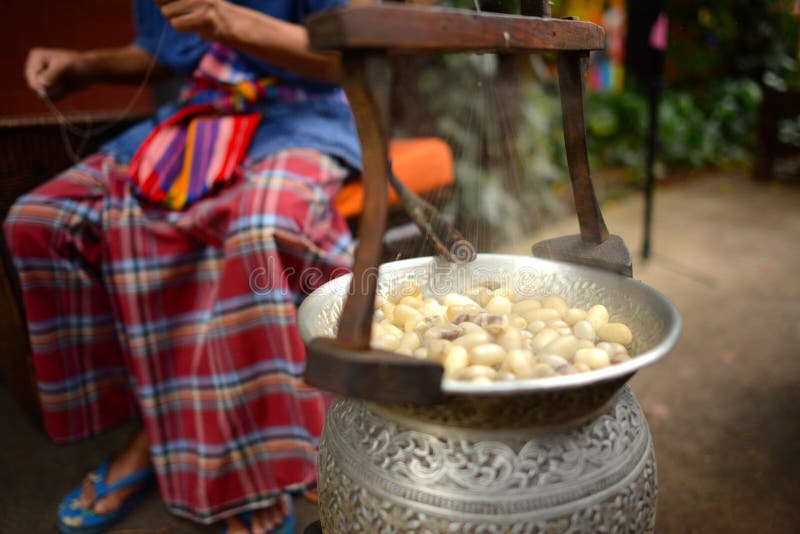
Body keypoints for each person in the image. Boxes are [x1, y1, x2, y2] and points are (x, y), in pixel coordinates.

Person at [5, 0, 360, 532]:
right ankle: (163, 423)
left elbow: (347, 54)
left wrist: (231, 19)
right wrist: (85, 66)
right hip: (202, 115)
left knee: (255, 228)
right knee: (38, 221)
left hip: (302, 116)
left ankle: (250, 461)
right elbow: (164, 49)